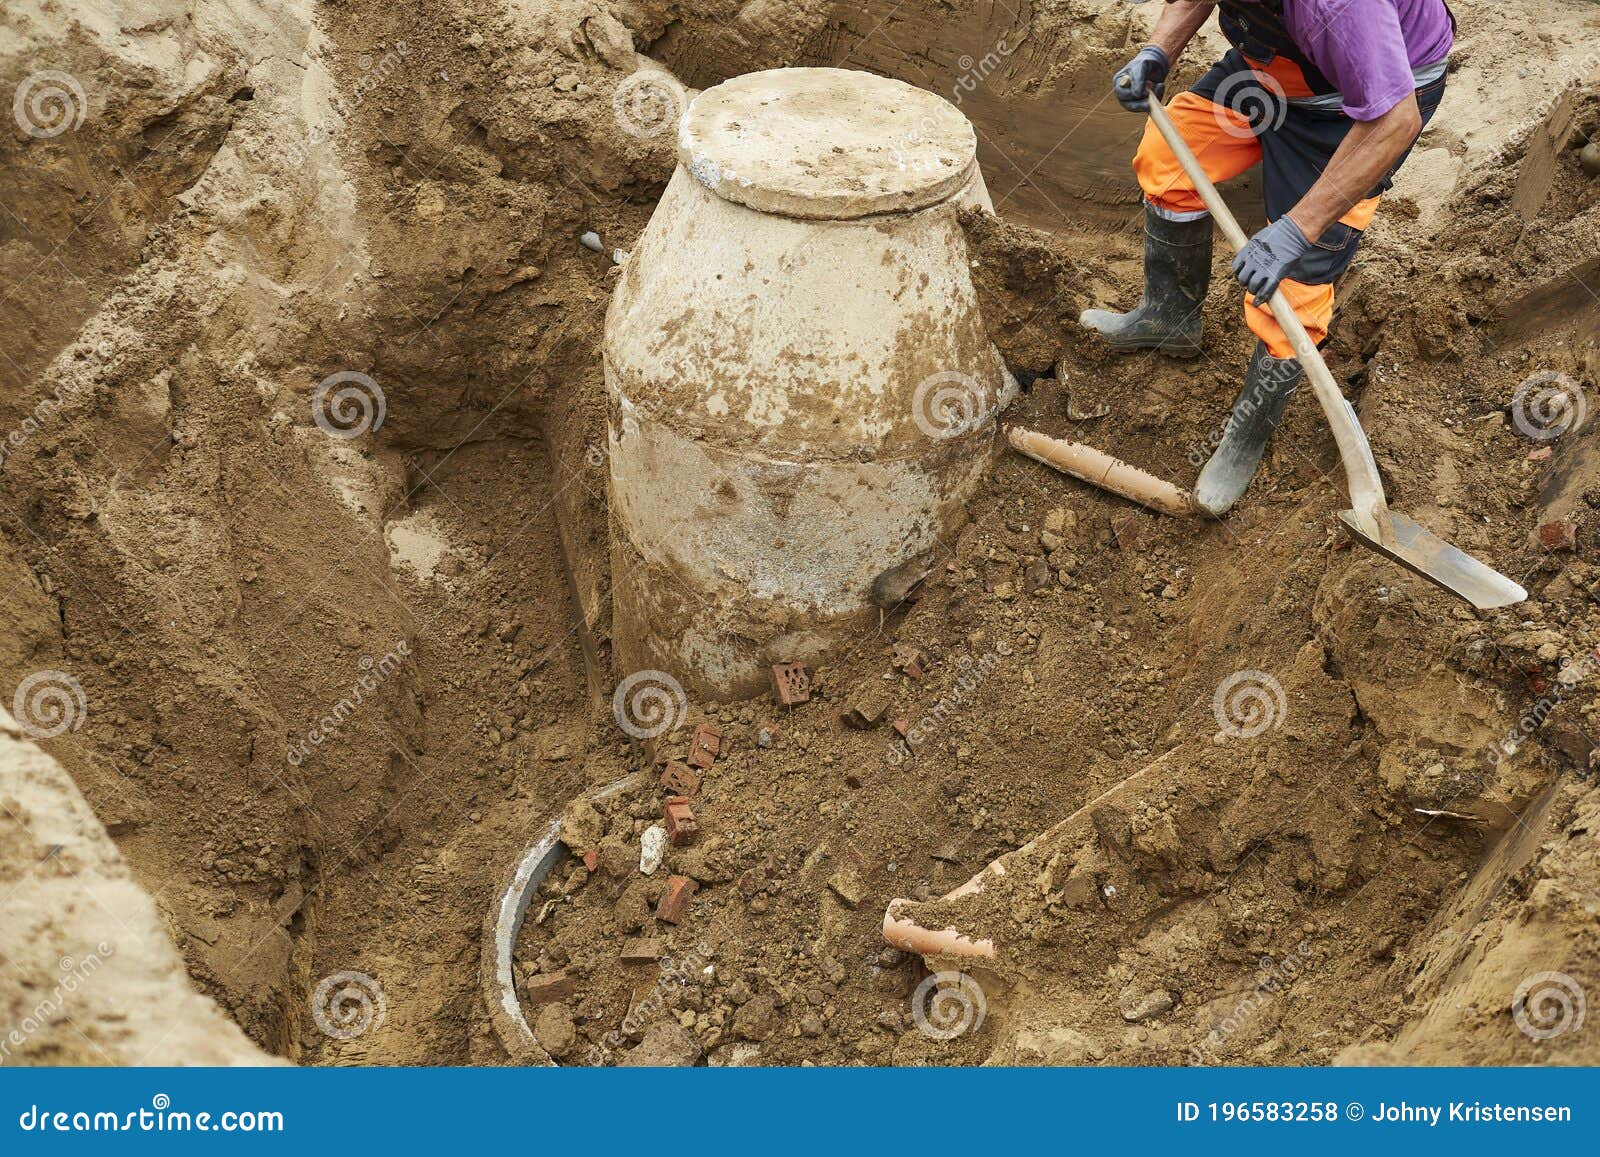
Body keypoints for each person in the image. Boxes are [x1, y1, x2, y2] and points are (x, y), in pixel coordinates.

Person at [1081, 0, 1453, 514]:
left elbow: (1394, 119)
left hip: (1360, 109)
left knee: (1294, 282)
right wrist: (1157, 50)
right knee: (1170, 160)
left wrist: (1296, 231)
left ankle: (1246, 436)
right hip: (1278, 74)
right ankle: (1169, 317)